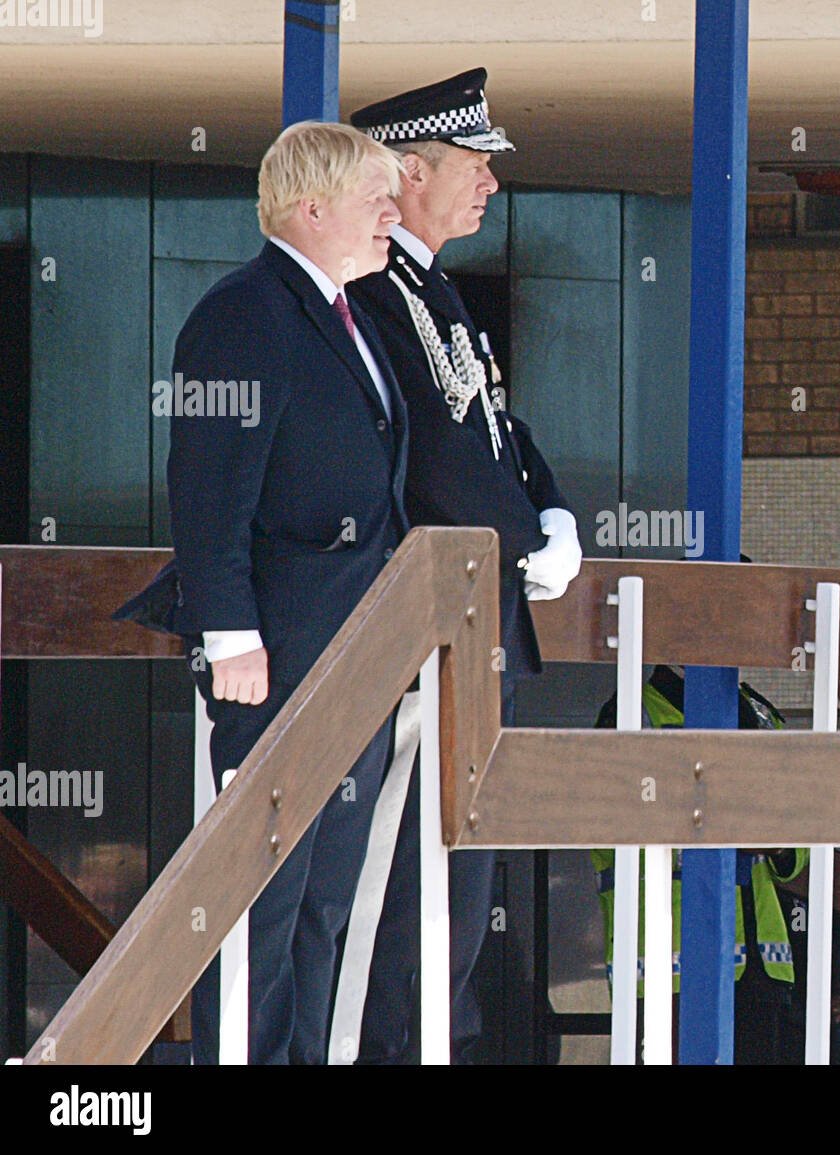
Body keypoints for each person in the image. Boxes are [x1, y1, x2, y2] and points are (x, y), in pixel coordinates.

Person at [346, 69, 580, 1064]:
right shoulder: (374, 287)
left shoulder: (428, 284)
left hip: (472, 630)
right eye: (472, 165)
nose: (489, 184)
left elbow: (493, 430)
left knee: (455, 882)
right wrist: (524, 540)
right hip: (423, 629)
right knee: (409, 893)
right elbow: (437, 457)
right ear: (408, 168)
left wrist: (553, 508)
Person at [165, 121, 408, 1063]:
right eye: (374, 199)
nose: (393, 214)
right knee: (261, 902)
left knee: (322, 903)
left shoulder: (352, 314)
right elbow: (210, 485)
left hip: (354, 656)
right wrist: (230, 635)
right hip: (280, 656)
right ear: (312, 209)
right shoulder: (247, 312)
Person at [592, 665, 807, 1064]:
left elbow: (799, 836)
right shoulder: (631, 716)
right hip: (668, 963)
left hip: (761, 965)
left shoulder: (756, 713)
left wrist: (776, 841)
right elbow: (609, 831)